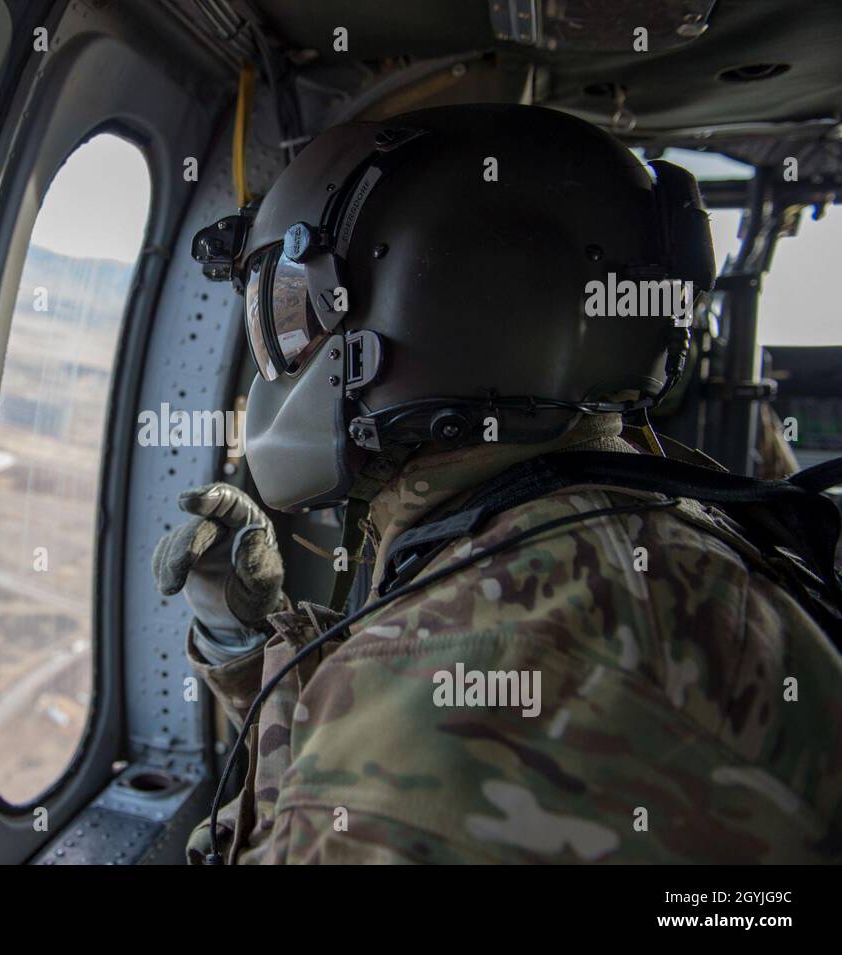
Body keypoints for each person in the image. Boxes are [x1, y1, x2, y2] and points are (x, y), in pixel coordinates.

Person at [153, 104, 842, 864]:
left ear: (419, 304)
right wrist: (244, 636)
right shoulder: (654, 513)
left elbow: (390, 765)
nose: (278, 357)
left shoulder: (468, 686)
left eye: (289, 315)